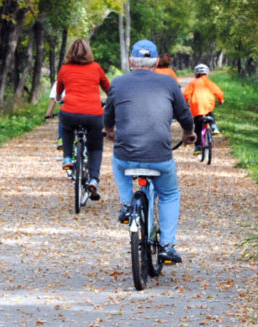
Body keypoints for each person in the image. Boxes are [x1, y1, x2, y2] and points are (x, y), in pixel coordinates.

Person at [104, 39, 194, 264]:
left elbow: (108, 117)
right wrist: (188, 133)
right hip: (159, 158)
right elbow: (184, 115)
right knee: (170, 194)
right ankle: (167, 246)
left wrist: (109, 131)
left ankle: (126, 205)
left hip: (126, 156)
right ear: (156, 62)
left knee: (116, 161)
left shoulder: (118, 82)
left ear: (130, 61)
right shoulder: (169, 83)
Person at [53, 39, 110, 200]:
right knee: (95, 148)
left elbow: (59, 92)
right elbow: (109, 89)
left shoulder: (64, 69)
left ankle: (67, 157)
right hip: (94, 114)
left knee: (66, 127)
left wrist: (59, 98)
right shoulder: (96, 68)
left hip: (70, 112)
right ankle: (93, 179)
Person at [182, 63, 225, 150]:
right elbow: (219, 92)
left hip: (197, 107)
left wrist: (185, 103)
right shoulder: (209, 83)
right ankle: (213, 126)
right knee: (209, 113)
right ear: (207, 73)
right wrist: (221, 100)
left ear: (195, 74)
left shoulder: (193, 83)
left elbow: (186, 94)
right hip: (208, 104)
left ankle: (198, 147)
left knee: (197, 127)